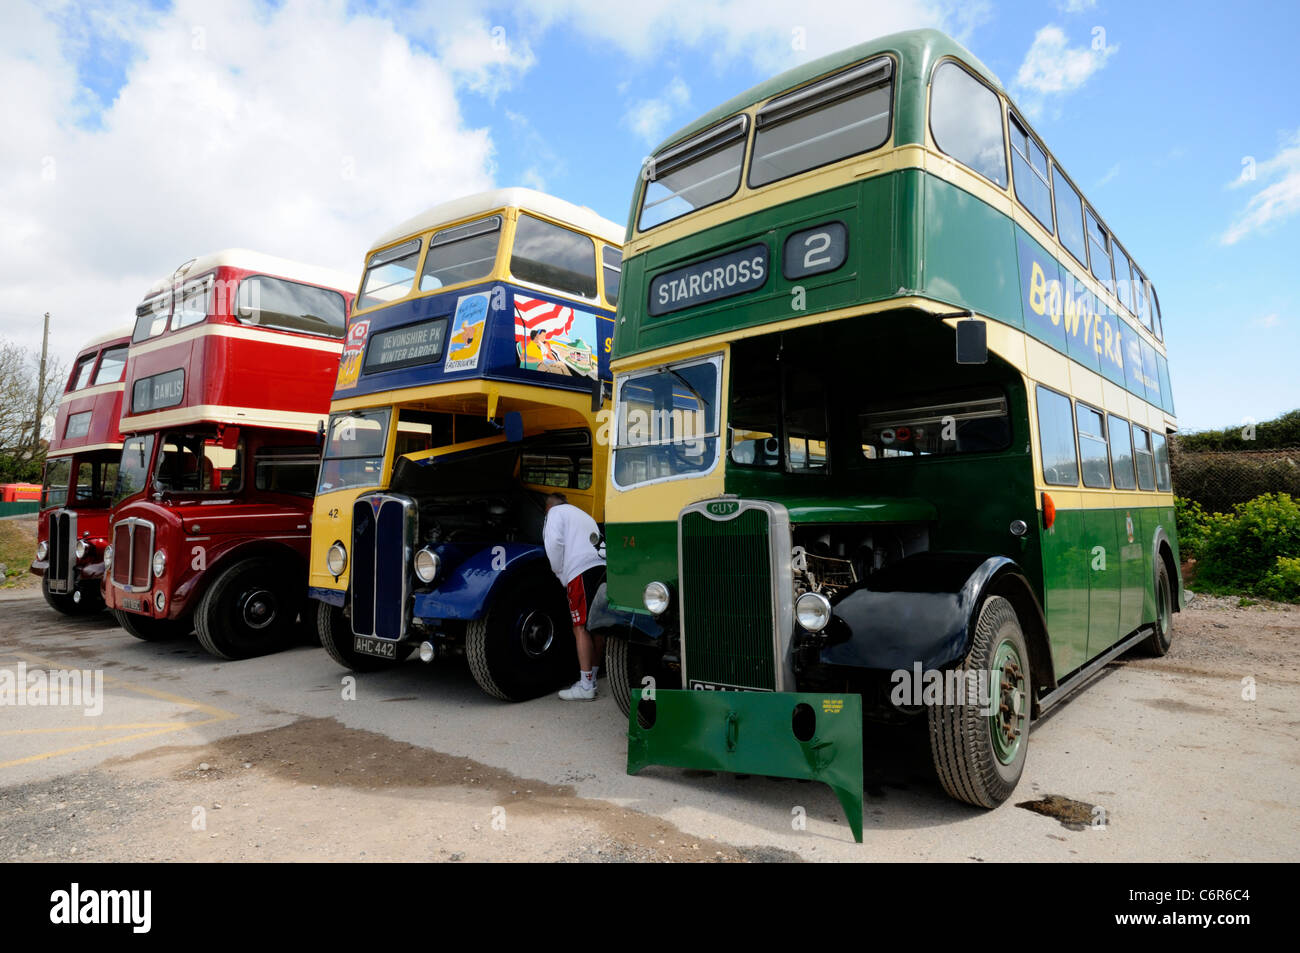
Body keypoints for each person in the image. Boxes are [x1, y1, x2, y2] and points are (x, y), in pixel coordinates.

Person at [542, 492, 606, 701]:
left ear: (548, 508)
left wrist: (559, 573)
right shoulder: (583, 515)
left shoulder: (555, 514)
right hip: (601, 568)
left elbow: (554, 544)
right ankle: (592, 677)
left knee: (580, 626)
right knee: (597, 625)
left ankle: (586, 686)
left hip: (579, 570)